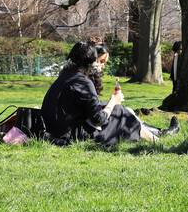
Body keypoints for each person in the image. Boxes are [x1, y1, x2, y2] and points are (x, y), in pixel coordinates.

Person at [41, 41, 178, 146]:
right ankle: (156, 141)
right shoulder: (83, 82)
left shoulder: (65, 76)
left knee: (122, 111)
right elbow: (98, 119)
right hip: (73, 135)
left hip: (56, 131)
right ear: (90, 62)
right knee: (122, 113)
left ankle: (158, 135)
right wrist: (114, 101)